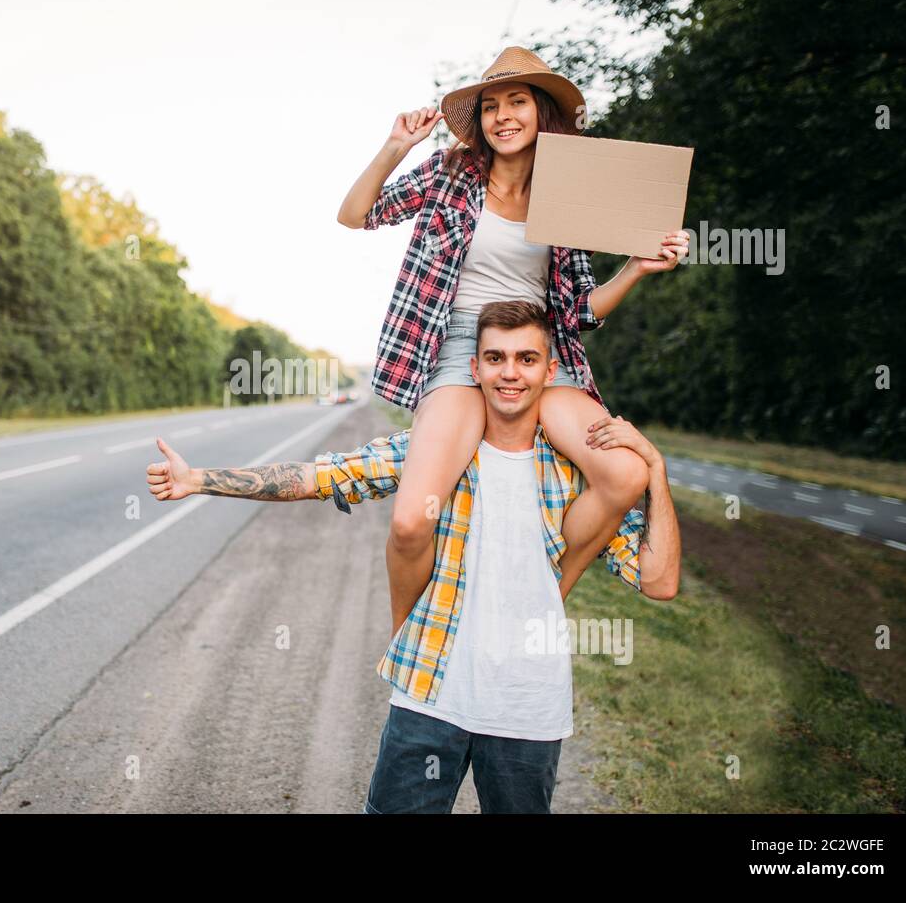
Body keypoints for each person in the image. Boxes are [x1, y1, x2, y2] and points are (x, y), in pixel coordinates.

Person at [145, 300, 681, 813]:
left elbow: (659, 581)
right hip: (431, 693)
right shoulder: (435, 453)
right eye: (495, 358)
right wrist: (198, 480)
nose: (510, 373)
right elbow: (319, 477)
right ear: (474, 367)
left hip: (527, 708)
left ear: (551, 369)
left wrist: (654, 470)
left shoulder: (574, 474)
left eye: (526, 358)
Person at [335, 46, 689, 638]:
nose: (503, 116)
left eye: (516, 101)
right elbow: (355, 215)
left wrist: (634, 269)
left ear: (541, 111)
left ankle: (543, 603)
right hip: (459, 348)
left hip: (540, 354)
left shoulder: (572, 195)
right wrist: (397, 146)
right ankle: (408, 642)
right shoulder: (450, 173)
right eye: (491, 105)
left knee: (626, 475)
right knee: (409, 524)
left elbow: (577, 312)